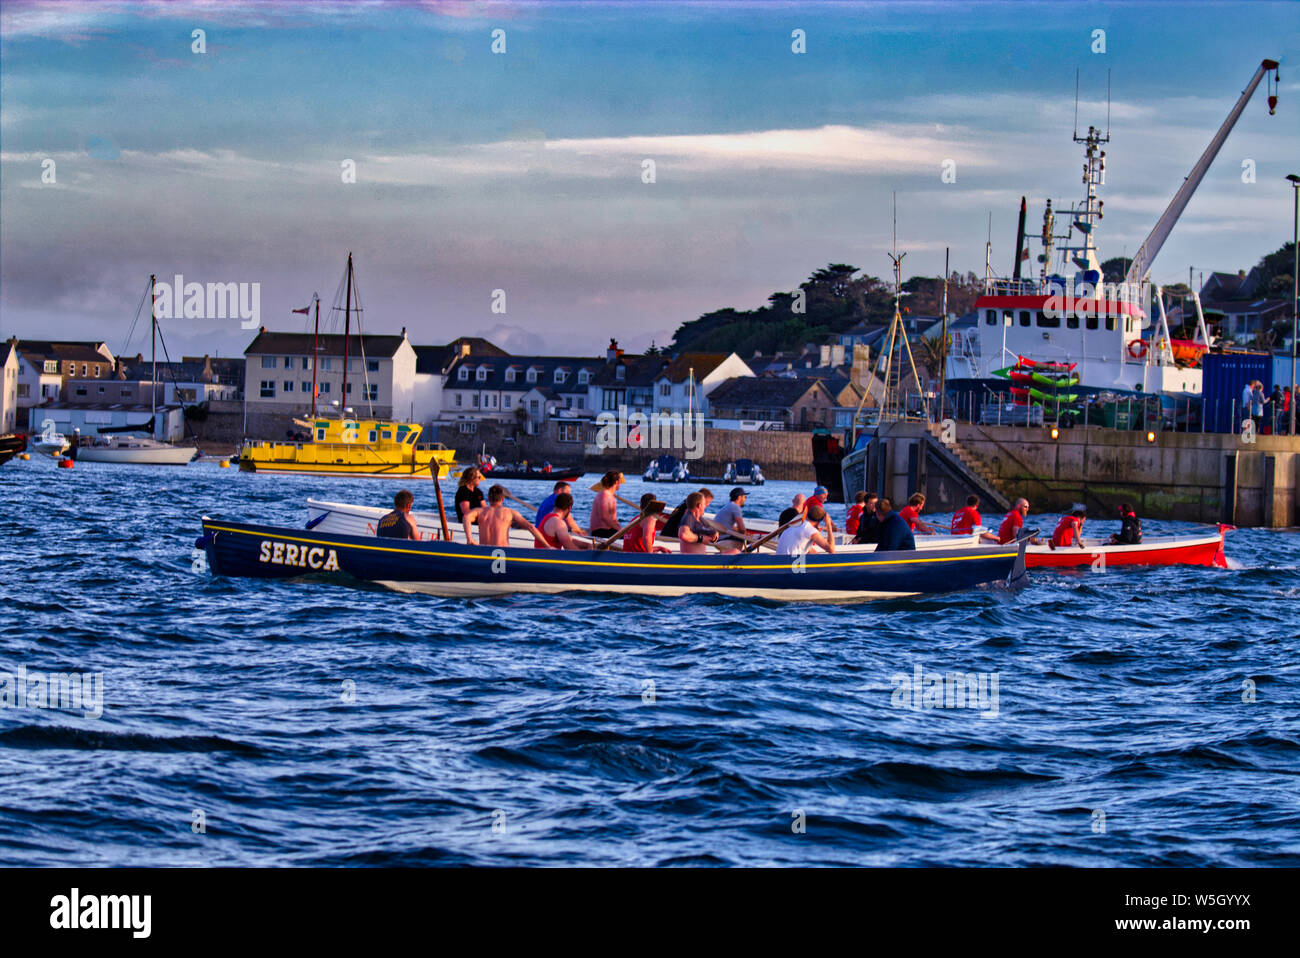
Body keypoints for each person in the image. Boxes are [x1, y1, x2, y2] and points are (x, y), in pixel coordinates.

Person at [478, 484, 550, 548]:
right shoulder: (510, 513)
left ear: (488, 498)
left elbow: (466, 517)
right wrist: (547, 546)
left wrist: (470, 539)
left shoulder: (478, 511)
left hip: (484, 551)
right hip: (502, 552)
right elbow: (530, 527)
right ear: (503, 499)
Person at [710, 487, 749, 553]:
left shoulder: (728, 506)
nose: (745, 499)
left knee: (743, 537)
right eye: (745, 497)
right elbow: (742, 529)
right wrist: (749, 536)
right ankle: (736, 558)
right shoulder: (736, 507)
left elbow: (730, 526)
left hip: (717, 538)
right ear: (739, 497)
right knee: (742, 538)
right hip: (723, 539)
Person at [588, 470, 624, 538]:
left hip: (608, 530)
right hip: (599, 531)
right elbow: (604, 517)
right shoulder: (603, 496)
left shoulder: (612, 497)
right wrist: (620, 530)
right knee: (625, 536)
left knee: (628, 535)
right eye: (620, 482)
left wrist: (622, 530)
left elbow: (614, 520)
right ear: (617, 482)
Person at [455, 467, 486, 545]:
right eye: (479, 477)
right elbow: (466, 512)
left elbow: (486, 509)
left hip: (478, 520)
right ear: (472, 477)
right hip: (468, 521)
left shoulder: (479, 492)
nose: (480, 479)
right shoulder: (463, 491)